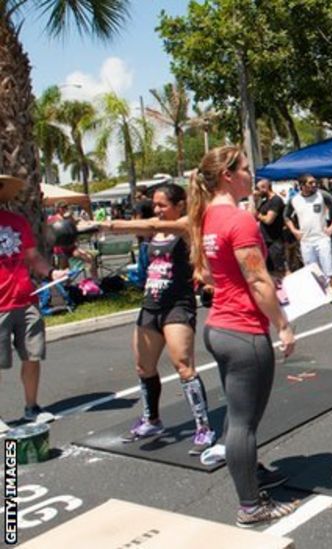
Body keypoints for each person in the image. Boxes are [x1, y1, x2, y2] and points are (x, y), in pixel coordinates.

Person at [187, 146, 297, 527]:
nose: (253, 175)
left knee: (239, 417)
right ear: (228, 175)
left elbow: (213, 274)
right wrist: (283, 324)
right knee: (242, 424)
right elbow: (257, 279)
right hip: (243, 332)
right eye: (247, 169)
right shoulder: (239, 220)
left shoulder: (207, 217)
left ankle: (251, 474)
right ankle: (251, 506)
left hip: (219, 327)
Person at [96, 184, 215, 452]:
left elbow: (148, 225)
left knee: (183, 366)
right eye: (155, 204)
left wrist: (106, 225)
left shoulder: (186, 226)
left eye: (163, 205)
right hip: (150, 306)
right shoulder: (156, 232)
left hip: (177, 306)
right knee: (144, 368)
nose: (157, 209)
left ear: (180, 205)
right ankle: (152, 420)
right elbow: (150, 229)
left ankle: (203, 427)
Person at [0, 175, 68, 431]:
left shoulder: (17, 222)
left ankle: (32, 408)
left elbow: (32, 257)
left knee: (32, 356)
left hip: (25, 300)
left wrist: (51, 273)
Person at [284, 174, 332, 306]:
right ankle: (321, 293)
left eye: (315, 182)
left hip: (322, 238)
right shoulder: (294, 199)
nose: (314, 185)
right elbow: (286, 216)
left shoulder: (321, 195)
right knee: (312, 269)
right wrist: (294, 230)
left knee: (328, 265)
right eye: (310, 183)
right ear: (302, 185)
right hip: (306, 240)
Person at [250, 179, 287, 278]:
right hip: (266, 241)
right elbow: (252, 216)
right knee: (270, 271)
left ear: (265, 188)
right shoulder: (264, 202)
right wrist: (254, 200)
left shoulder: (276, 200)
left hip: (275, 240)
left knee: (280, 271)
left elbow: (268, 220)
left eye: (258, 189)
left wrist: (259, 215)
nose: (256, 191)